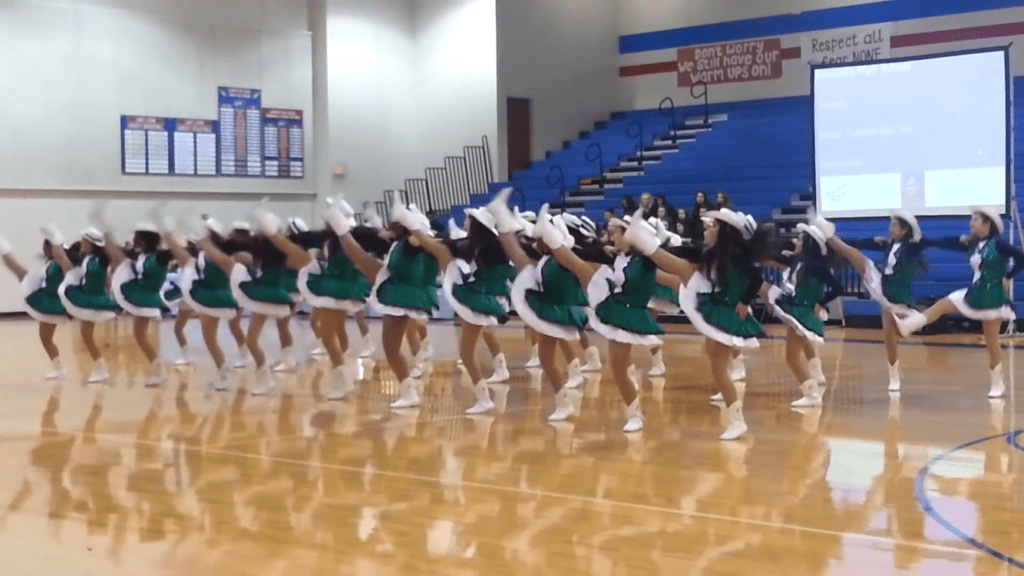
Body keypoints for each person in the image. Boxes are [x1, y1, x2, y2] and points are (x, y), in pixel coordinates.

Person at [623, 207, 773, 440]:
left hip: (727, 314)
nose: (706, 229)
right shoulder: (715, 253)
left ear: (723, 232)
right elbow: (687, 251)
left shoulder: (734, 257)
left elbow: (757, 279)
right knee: (714, 359)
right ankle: (642, 240)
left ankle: (738, 421)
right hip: (717, 304)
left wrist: (744, 301)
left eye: (711, 226)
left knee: (720, 368)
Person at [858, 207, 1024, 398]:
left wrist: (1008, 276)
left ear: (988, 224)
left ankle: (998, 382)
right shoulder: (973, 244)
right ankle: (908, 325)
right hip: (975, 292)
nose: (971, 223)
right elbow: (945, 243)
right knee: (943, 304)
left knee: (992, 343)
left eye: (975, 220)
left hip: (993, 297)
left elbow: (1021, 258)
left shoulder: (1000, 244)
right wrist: (957, 241)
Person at [819, 210, 958, 391]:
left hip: (897, 293)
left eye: (894, 225)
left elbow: (939, 242)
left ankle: (910, 320)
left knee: (898, 334)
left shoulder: (913, 245)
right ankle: (894, 377)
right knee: (888, 338)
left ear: (904, 229)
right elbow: (860, 244)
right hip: (883, 285)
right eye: (890, 224)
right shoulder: (890, 243)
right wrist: (867, 241)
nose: (890, 228)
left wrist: (960, 241)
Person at [326, 193, 440, 409]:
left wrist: (407, 221)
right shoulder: (400, 242)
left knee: (391, 348)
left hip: (402, 292)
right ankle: (340, 227)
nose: (390, 224)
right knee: (360, 257)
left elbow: (420, 238)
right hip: (395, 282)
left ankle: (410, 391)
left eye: (394, 221)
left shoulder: (413, 242)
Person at [488, 188, 589, 421]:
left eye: (541, 238)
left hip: (556, 309)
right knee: (546, 359)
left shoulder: (562, 257)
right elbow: (521, 245)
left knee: (547, 359)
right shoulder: (547, 258)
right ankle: (563, 402)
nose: (537, 241)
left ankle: (564, 403)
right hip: (551, 306)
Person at [765, 223, 844, 408]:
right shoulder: (798, 261)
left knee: (791, 358)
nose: (796, 241)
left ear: (808, 243)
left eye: (800, 238)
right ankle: (815, 380)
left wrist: (821, 302)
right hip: (795, 308)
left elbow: (837, 287)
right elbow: (777, 257)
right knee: (795, 353)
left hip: (802, 312)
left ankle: (812, 395)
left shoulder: (816, 266)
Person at [51, 226, 119, 383]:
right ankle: (101, 369)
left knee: (86, 335)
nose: (81, 242)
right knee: (86, 335)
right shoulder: (86, 259)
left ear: (90, 242)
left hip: (95, 299)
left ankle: (101, 370)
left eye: (84, 240)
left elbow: (113, 257)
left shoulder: (102, 259)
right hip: (86, 297)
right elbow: (62, 256)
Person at [0, 230, 69, 379]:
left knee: (46, 339)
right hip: (46, 297)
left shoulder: (62, 262)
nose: (43, 251)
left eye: (46, 249)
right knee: (18, 270)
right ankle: (58, 369)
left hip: (51, 303)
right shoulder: (54, 261)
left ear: (53, 249)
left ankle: (58, 369)